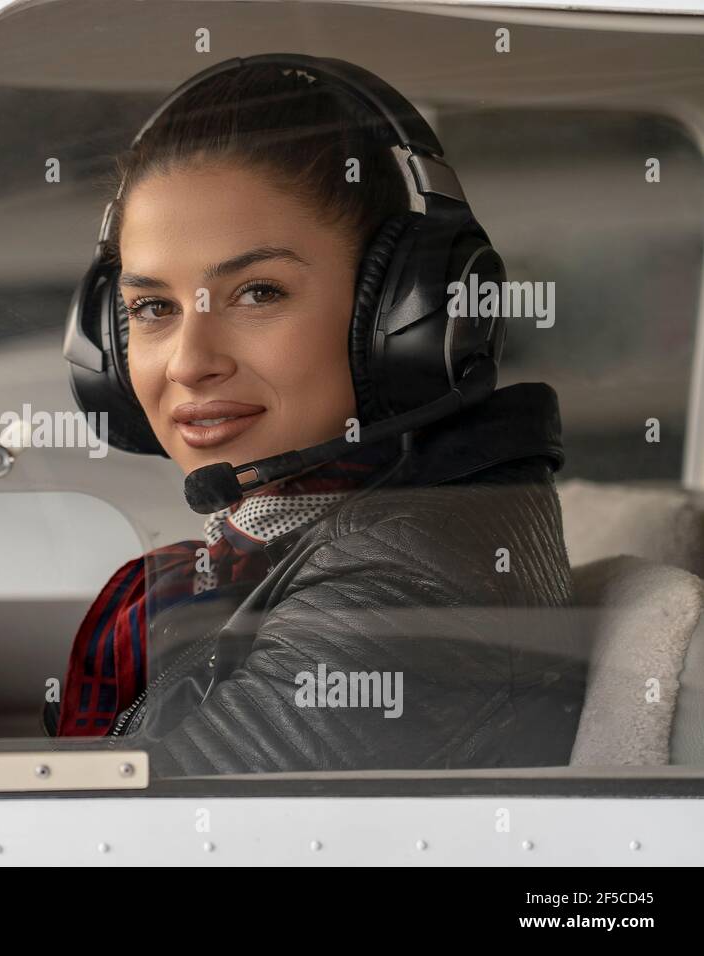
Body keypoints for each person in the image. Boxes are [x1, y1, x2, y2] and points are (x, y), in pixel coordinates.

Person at [47, 55, 586, 777]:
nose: (187, 362)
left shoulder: (402, 591)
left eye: (258, 293)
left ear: (408, 317)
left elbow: (121, 842)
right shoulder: (312, 544)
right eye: (151, 308)